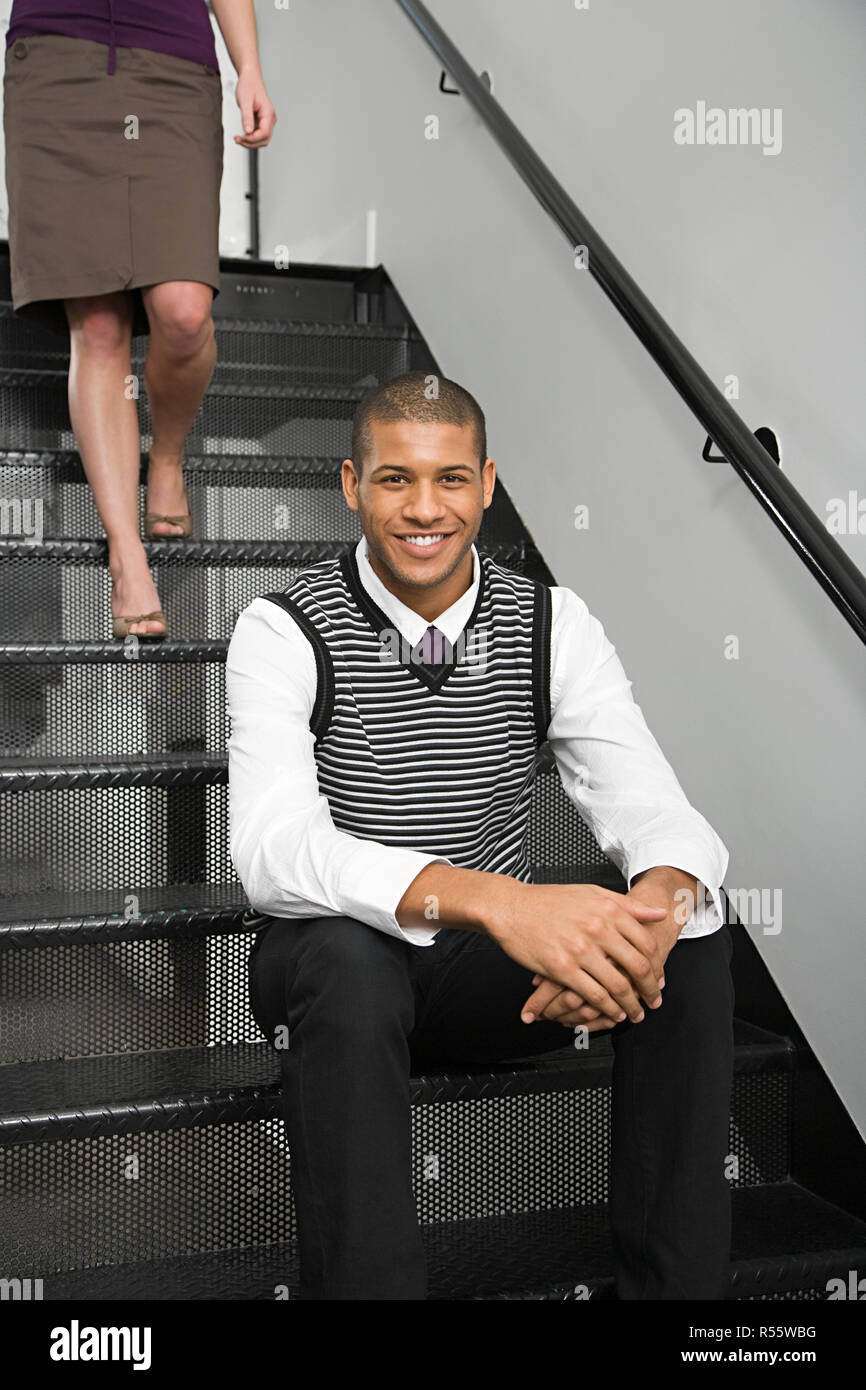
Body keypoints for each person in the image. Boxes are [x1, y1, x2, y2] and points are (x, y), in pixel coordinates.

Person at [227, 371, 735, 1301]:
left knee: (690, 928)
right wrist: (500, 901)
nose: (426, 509)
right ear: (351, 485)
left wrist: (650, 917)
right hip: (341, 972)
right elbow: (267, 853)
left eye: (452, 479)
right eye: (395, 480)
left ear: (488, 483)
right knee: (343, 954)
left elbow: (654, 808)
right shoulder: (281, 627)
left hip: (484, 979)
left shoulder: (554, 623)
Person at [2, 0, 276, 638]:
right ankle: (126, 554)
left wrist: (250, 69)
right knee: (97, 325)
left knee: (184, 312)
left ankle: (168, 457)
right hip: (55, 63)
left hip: (174, 66)